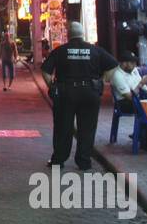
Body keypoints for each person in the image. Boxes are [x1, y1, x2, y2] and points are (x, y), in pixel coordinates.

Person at [41, 22, 118, 170]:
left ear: (68, 35)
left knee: (63, 127)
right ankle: (84, 161)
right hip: (90, 93)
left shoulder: (61, 51)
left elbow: (45, 70)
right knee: (87, 128)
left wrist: (52, 86)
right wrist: (102, 81)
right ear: (82, 34)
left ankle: (59, 159)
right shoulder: (95, 50)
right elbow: (114, 65)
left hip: (66, 94)